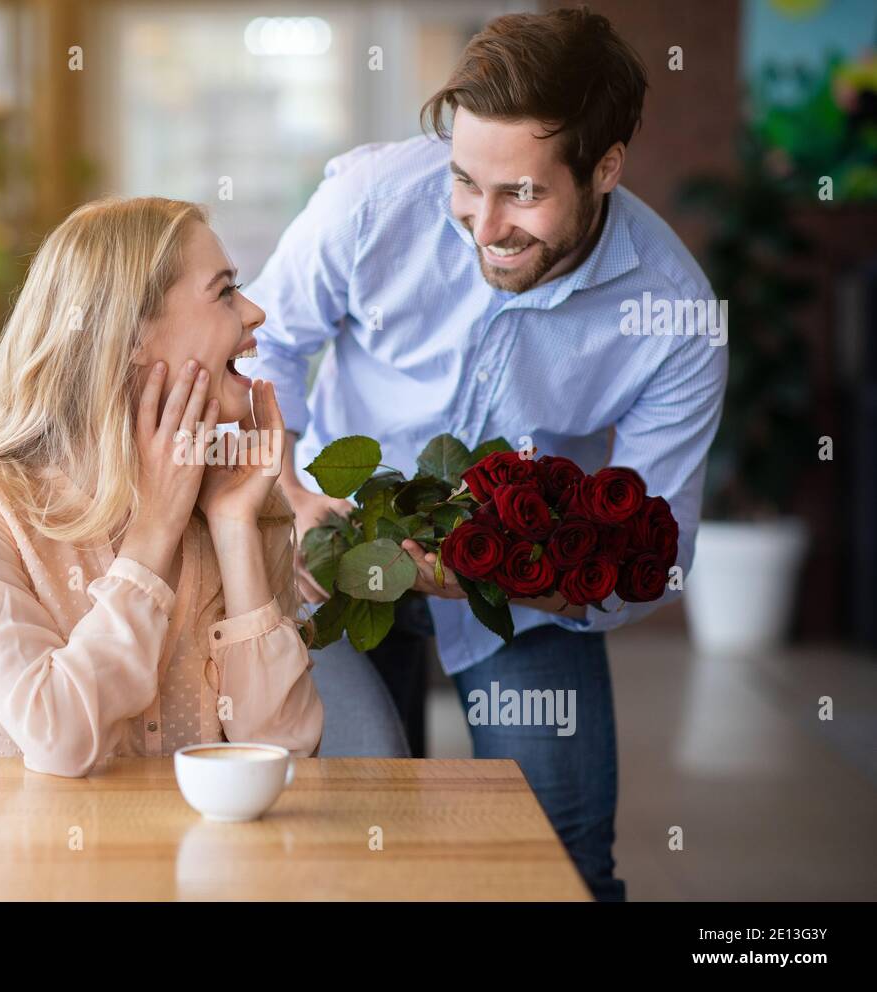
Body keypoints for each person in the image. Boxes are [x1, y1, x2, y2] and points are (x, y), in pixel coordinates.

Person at [243, 8, 728, 901]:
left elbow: (655, 552)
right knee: (341, 845)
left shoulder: (675, 317)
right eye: (468, 181)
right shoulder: (374, 200)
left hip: (525, 597)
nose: (484, 225)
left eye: (524, 195)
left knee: (564, 862)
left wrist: (490, 575)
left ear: (605, 168)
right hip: (332, 559)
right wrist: (292, 494)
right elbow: (260, 346)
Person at [0, 196, 323, 777]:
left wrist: (235, 531)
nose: (254, 313)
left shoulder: (238, 491)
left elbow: (286, 754)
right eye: (225, 291)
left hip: (209, 864)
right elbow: (61, 740)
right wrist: (155, 531)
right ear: (130, 333)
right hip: (45, 864)